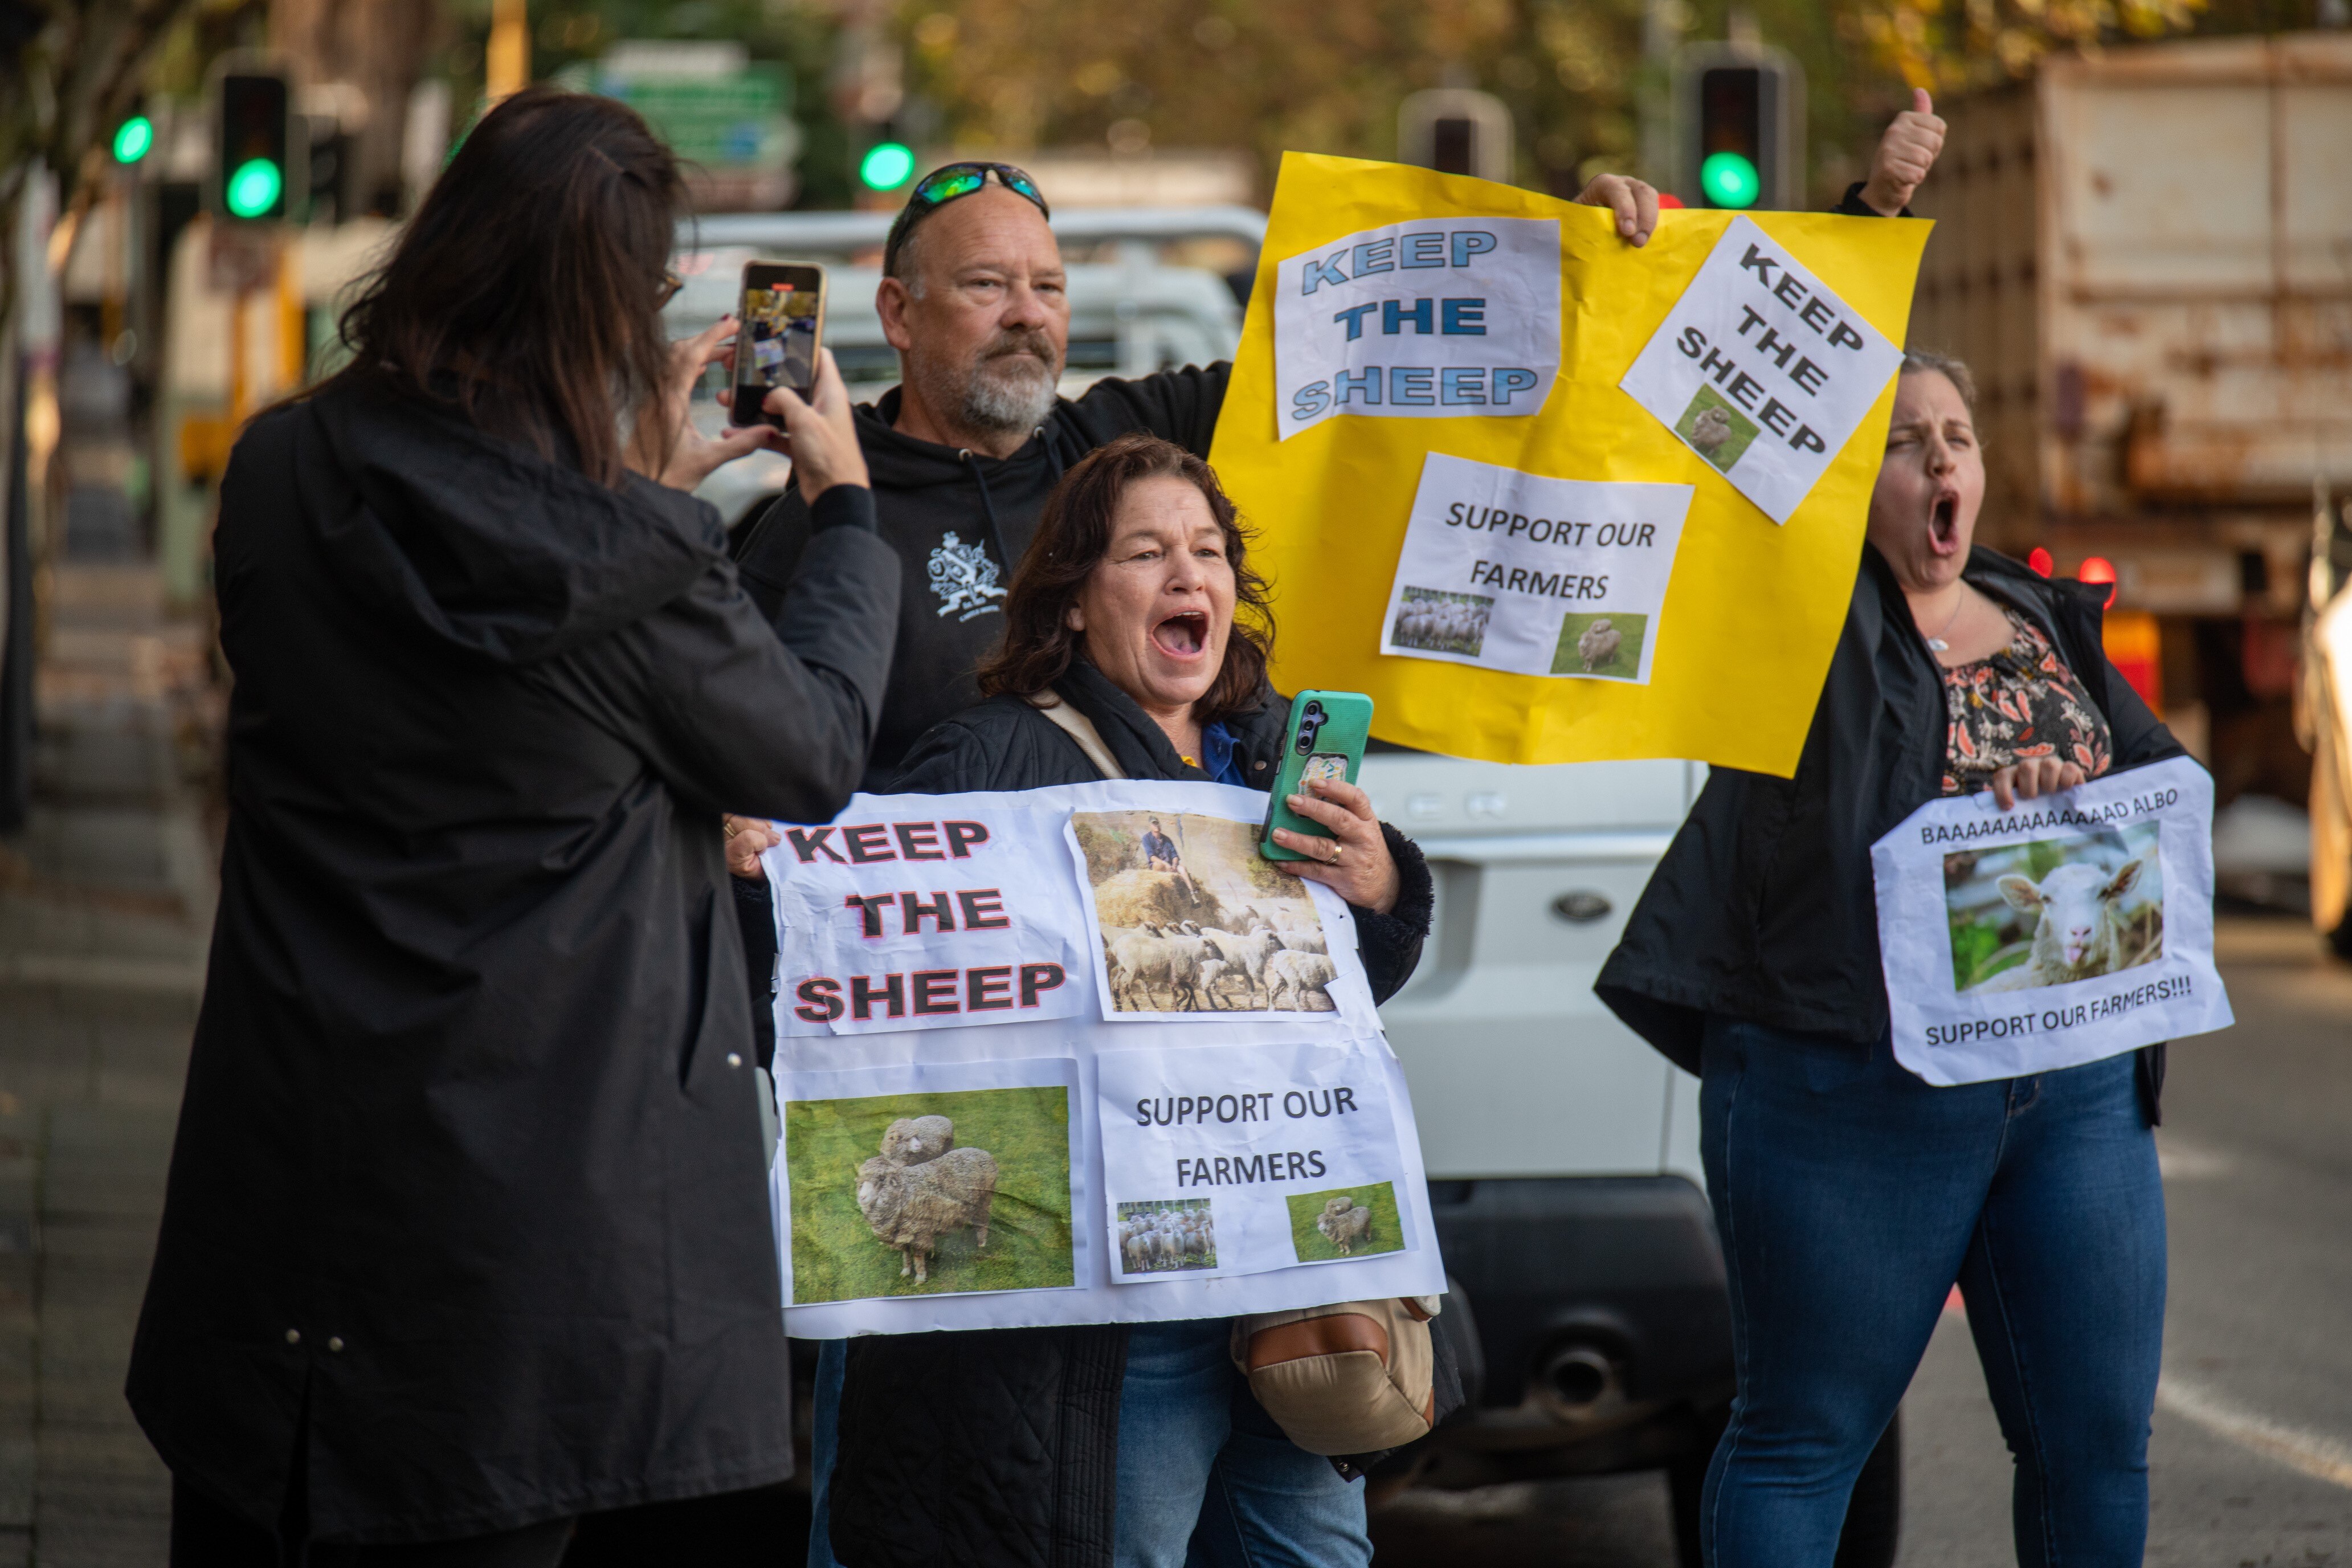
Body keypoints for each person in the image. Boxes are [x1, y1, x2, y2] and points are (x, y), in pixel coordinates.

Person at [124, 87, 897, 1565]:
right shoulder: (630, 561)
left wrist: (645, 505)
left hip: (281, 1191)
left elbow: (469, 648)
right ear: (602, 305)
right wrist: (846, 506)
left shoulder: (283, 471)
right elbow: (806, 753)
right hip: (521, 1253)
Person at [1595, 349, 2181, 1566]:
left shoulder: (2040, 613)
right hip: (1845, 1088)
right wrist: (1865, 215)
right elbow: (1722, 446)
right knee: (1802, 1438)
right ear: (1841, 482)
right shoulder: (1800, 621)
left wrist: (2074, 803)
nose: (1941, 461)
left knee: (2095, 1443)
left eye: (1957, 436)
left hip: (2071, 1089)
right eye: (1904, 442)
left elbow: (2163, 783)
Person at [821, 432, 1435, 1568]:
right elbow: (882, 949)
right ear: (1070, 603)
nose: (1187, 574)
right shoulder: (993, 757)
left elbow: (1355, 986)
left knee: (1315, 1554)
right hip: (1131, 1305)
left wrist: (1381, 884)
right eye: (1147, 552)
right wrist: (794, 854)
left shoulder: (1270, 753)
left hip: (1290, 1270)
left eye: (1207, 550)